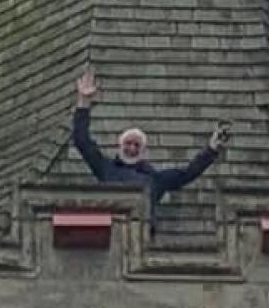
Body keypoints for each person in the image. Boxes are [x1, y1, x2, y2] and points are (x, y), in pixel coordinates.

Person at [72, 69, 229, 214]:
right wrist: (83, 103)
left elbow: (188, 173)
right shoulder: (106, 169)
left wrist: (211, 149)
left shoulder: (155, 179)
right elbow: (82, 141)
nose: (132, 148)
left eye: (136, 145)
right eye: (128, 143)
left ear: (143, 151)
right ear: (119, 146)